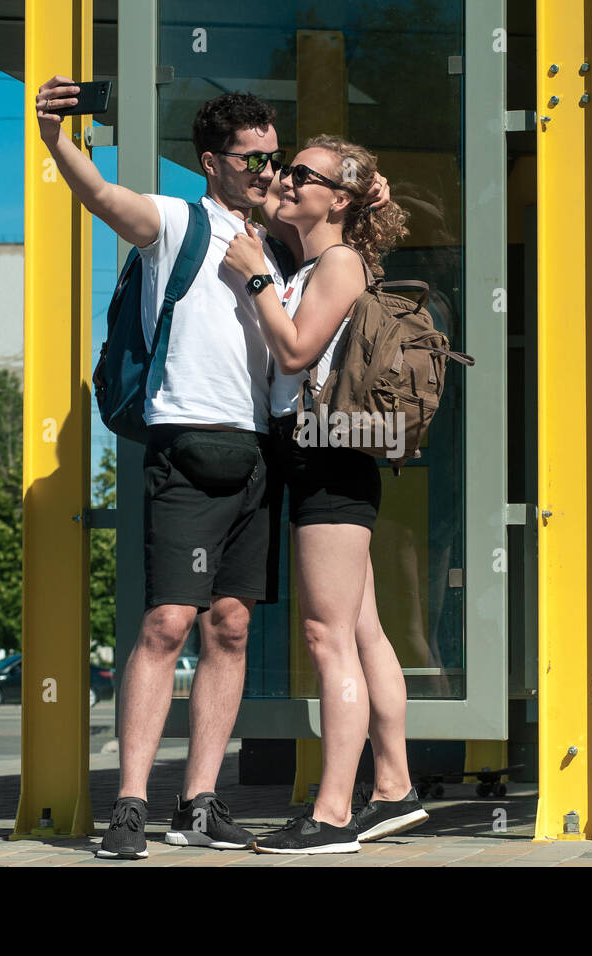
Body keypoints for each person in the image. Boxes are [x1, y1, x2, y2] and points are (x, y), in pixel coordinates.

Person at [35, 79, 389, 859]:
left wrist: (362, 187)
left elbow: (346, 224)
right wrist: (60, 140)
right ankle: (129, 802)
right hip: (187, 443)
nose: (269, 172)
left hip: (262, 450)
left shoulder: (283, 240)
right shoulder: (178, 220)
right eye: (253, 159)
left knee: (230, 627)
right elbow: (102, 196)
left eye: (275, 158)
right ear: (211, 162)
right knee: (167, 622)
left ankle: (198, 805)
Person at [223, 136, 429, 853]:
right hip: (320, 452)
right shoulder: (318, 254)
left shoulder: (337, 262)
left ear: (335, 199)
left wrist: (253, 279)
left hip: (326, 456)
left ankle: (334, 814)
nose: (281, 178)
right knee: (363, 631)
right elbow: (263, 205)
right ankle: (396, 786)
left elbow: (294, 351)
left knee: (326, 637)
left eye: (299, 174)